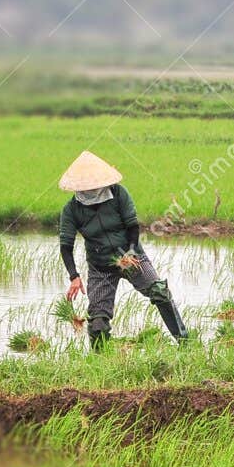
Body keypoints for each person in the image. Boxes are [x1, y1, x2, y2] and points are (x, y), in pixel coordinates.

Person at [57, 150, 188, 350]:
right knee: (98, 322)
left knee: (159, 292)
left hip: (131, 256)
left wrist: (131, 252)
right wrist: (74, 276)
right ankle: (99, 362)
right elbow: (66, 246)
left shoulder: (118, 193)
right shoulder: (72, 209)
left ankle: (186, 341)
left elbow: (133, 226)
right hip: (100, 266)